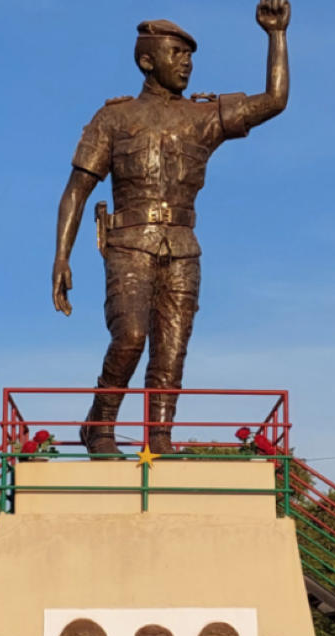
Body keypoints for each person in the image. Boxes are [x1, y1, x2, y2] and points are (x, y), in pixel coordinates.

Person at [51, 0, 293, 455]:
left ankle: (159, 436)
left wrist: (276, 35)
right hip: (129, 244)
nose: (186, 63)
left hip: (183, 247)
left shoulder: (202, 117)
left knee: (171, 348)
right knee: (131, 337)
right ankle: (99, 425)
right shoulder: (114, 119)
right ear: (147, 61)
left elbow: (274, 101)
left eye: (190, 56)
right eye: (177, 54)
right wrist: (61, 256)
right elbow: (76, 190)